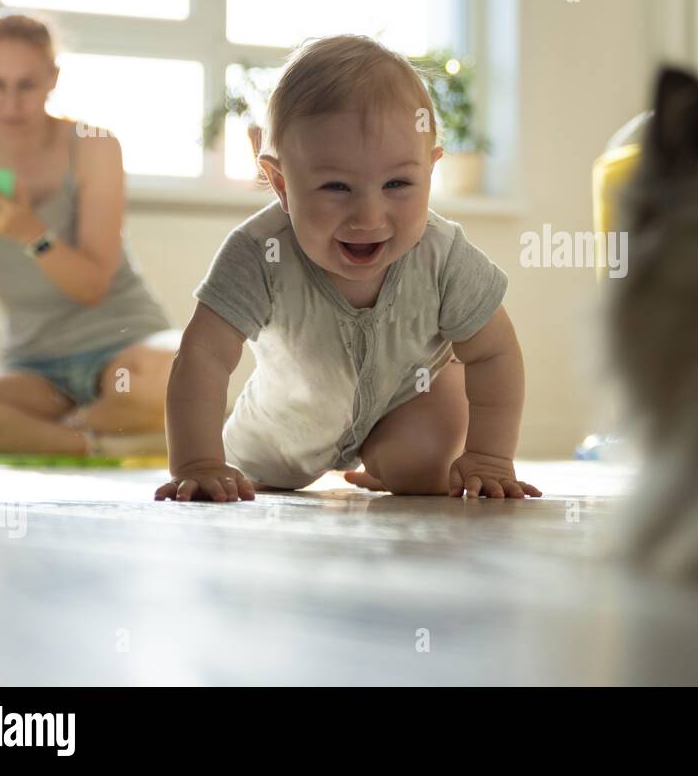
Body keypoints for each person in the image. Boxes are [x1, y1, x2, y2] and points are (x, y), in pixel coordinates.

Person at [154, 34, 540, 501]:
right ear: (280, 182)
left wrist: (490, 456)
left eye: (398, 183)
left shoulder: (443, 255)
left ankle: (396, 451)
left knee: (423, 474)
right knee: (254, 474)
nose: (369, 217)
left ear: (431, 170)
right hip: (290, 414)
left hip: (412, 397)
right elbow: (203, 357)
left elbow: (494, 352)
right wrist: (198, 462)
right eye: (336, 187)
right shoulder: (259, 253)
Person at [0, 9, 178, 455]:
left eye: (26, 84)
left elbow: (92, 287)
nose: (10, 103)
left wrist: (27, 230)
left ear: (52, 78)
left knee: (173, 373)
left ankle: (50, 433)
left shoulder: (94, 144)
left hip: (124, 347)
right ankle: (96, 440)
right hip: (35, 370)